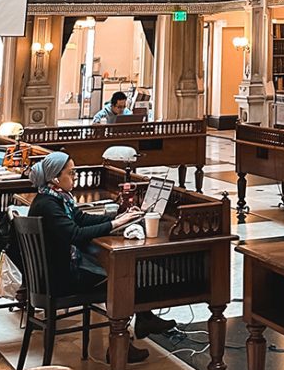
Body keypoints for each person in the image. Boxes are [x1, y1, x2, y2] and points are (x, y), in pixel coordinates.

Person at [26, 152, 175, 355]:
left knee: (119, 272)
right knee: (121, 279)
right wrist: (114, 224)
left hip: (54, 273)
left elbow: (81, 219)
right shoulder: (49, 205)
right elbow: (76, 234)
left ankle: (143, 320)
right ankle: (120, 347)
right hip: (60, 280)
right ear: (55, 178)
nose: (76, 177)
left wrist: (118, 217)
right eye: (71, 173)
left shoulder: (54, 198)